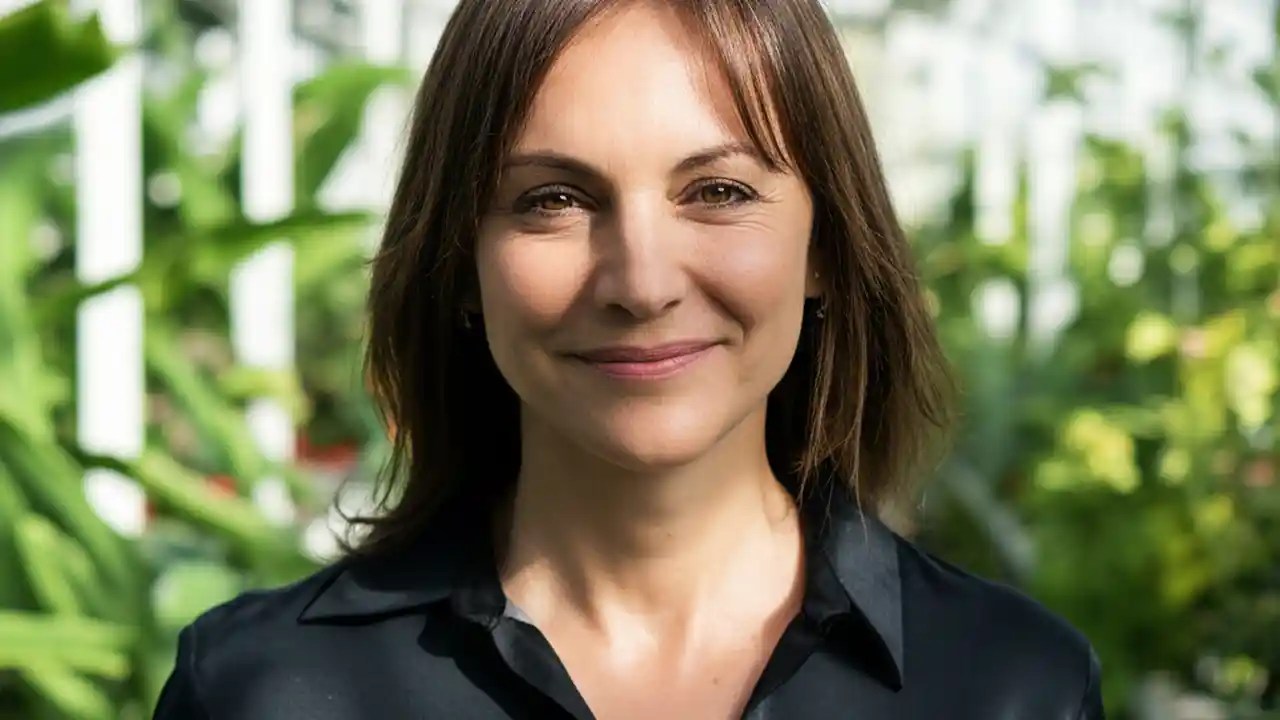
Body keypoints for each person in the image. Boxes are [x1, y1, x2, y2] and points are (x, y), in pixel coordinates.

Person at [154, 0, 1105, 717]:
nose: (642, 284)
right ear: (459, 263)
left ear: (824, 244)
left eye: (719, 191)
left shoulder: (1013, 687)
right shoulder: (257, 691)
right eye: (553, 200)